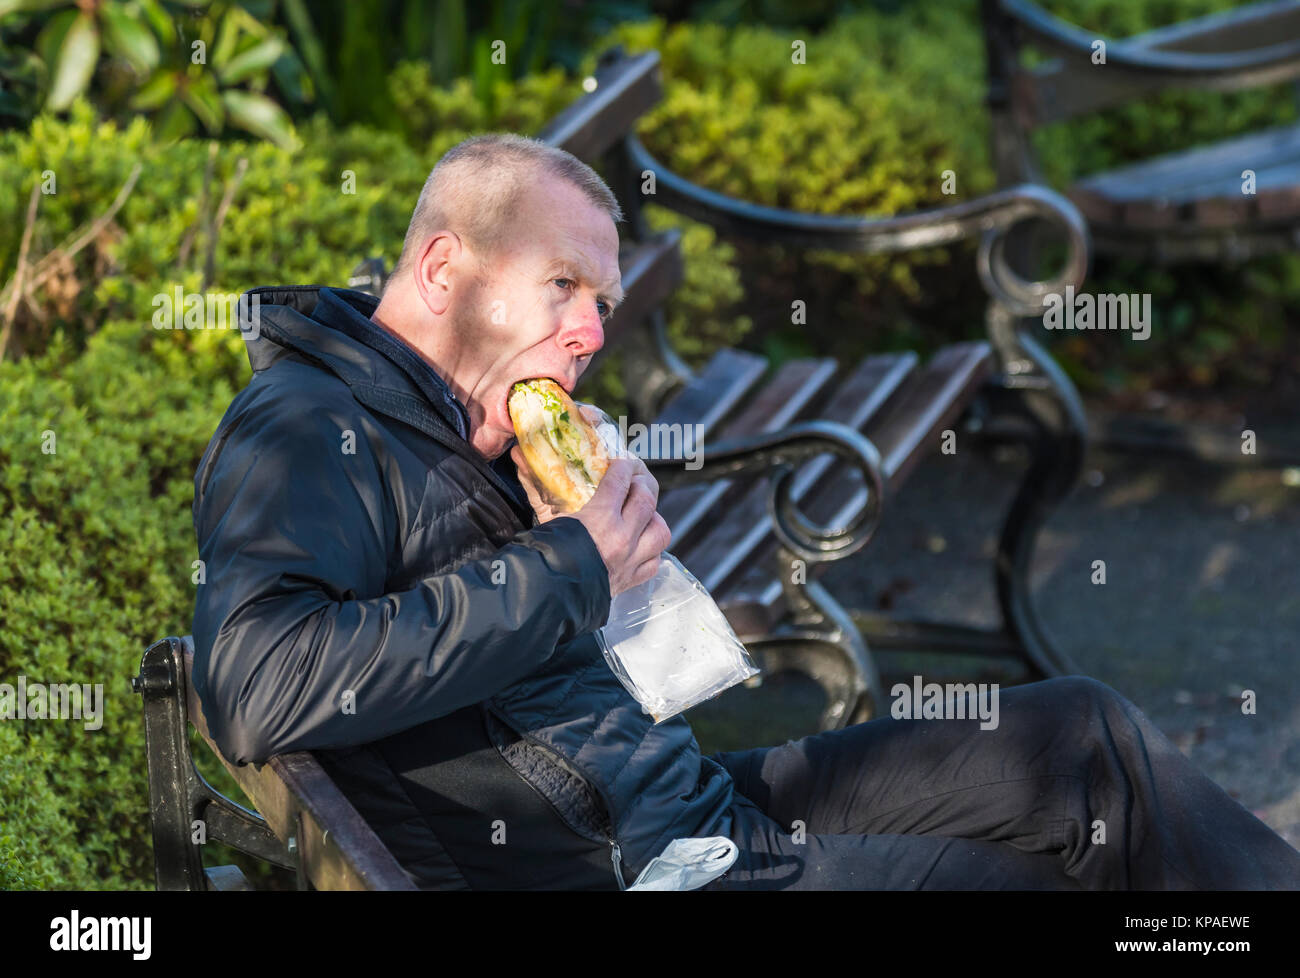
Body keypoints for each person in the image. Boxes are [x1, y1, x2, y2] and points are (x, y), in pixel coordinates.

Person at [191, 133, 1300, 890]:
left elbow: (509, 651)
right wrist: (572, 565)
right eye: (563, 287)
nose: (590, 333)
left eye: (605, 303)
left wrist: (606, 571)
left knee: (1081, 736)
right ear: (443, 269)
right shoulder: (301, 426)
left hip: (688, 802)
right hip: (641, 866)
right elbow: (253, 678)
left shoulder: (465, 413)